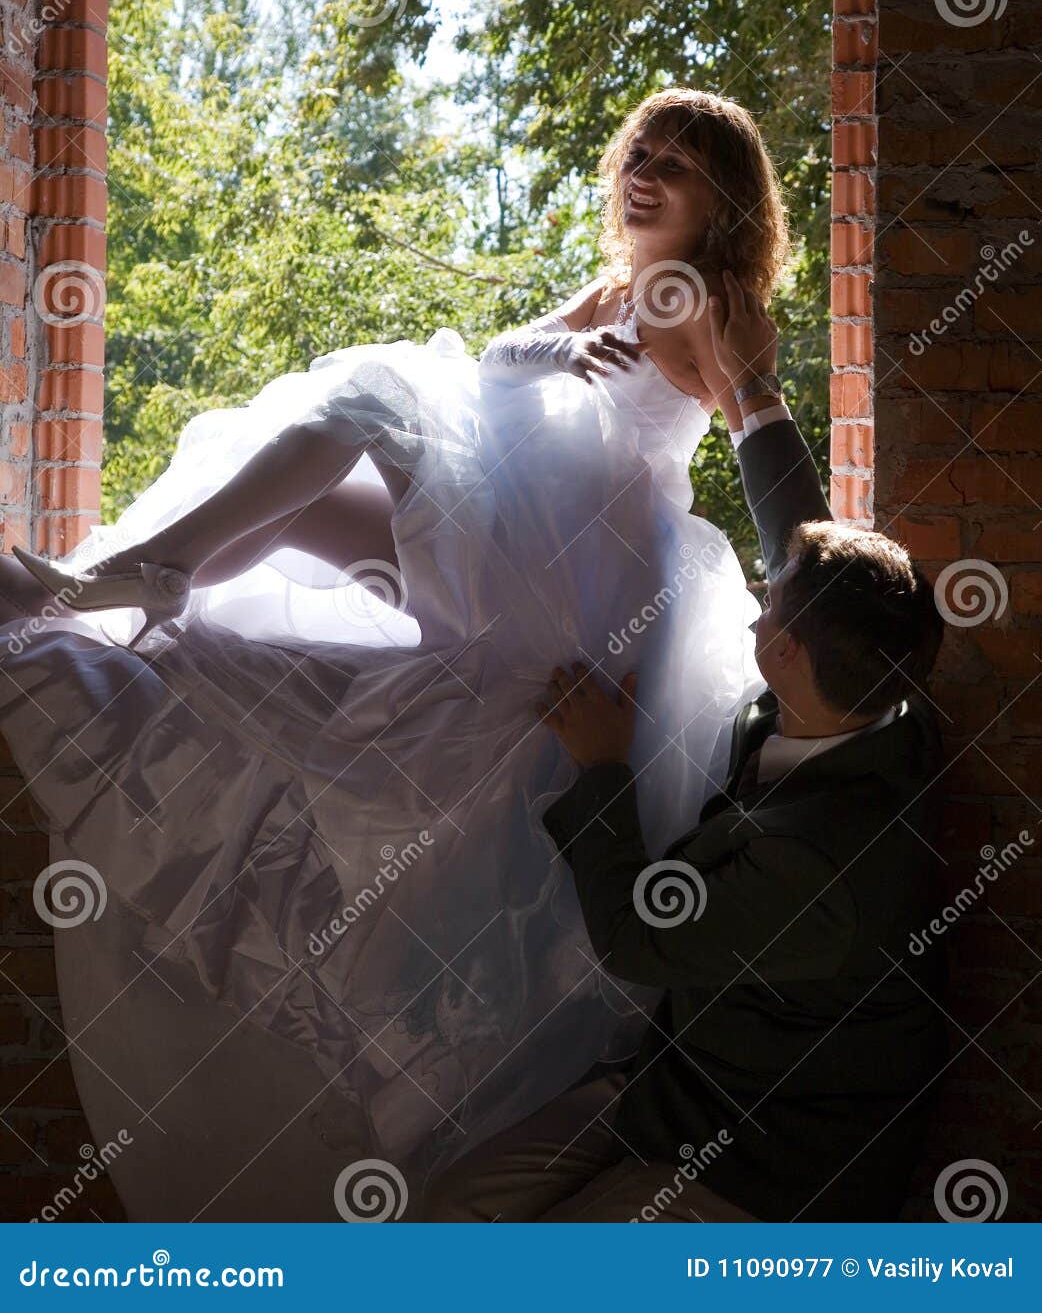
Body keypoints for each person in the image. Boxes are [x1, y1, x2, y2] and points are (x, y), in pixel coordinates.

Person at [0, 88, 783, 1188]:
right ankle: (151, 579)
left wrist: (796, 554)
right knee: (324, 470)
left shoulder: (717, 302)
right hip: (508, 544)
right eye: (639, 149)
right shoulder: (613, 283)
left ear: (725, 199)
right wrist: (558, 358)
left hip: (580, 583)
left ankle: (154, 572)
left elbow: (761, 428)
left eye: (680, 164)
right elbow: (507, 356)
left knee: (364, 409)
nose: (644, 170)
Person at [423, 277, 948, 1223]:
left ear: (784, 650)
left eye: (770, 598)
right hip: (669, 1092)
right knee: (443, 1221)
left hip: (771, 1165)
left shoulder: (823, 864)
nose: (755, 587)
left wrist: (601, 768)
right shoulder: (870, 690)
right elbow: (805, 549)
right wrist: (756, 390)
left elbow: (635, 937)